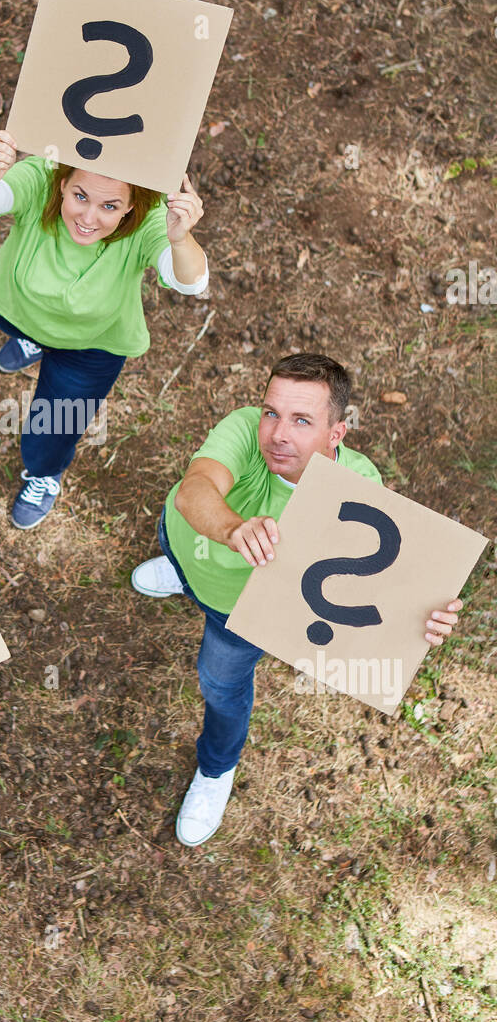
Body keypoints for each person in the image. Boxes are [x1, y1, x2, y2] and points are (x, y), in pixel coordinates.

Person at [131, 353, 464, 847]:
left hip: (241, 613)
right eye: (272, 413)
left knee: (220, 685)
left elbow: (362, 576)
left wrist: (419, 613)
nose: (277, 434)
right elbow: (194, 491)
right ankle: (182, 577)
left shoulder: (359, 485)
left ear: (337, 433)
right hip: (188, 543)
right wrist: (231, 529)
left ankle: (216, 767)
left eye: (302, 420)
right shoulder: (245, 429)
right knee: (180, 557)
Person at [0, 130, 210, 528]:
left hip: (92, 348)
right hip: (17, 311)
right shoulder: (42, 176)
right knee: (20, 330)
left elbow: (191, 282)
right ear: (63, 183)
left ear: (130, 208)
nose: (88, 218)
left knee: (55, 424)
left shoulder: (150, 218)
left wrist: (181, 238)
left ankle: (42, 473)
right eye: (80, 196)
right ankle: (33, 342)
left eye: (110, 205)